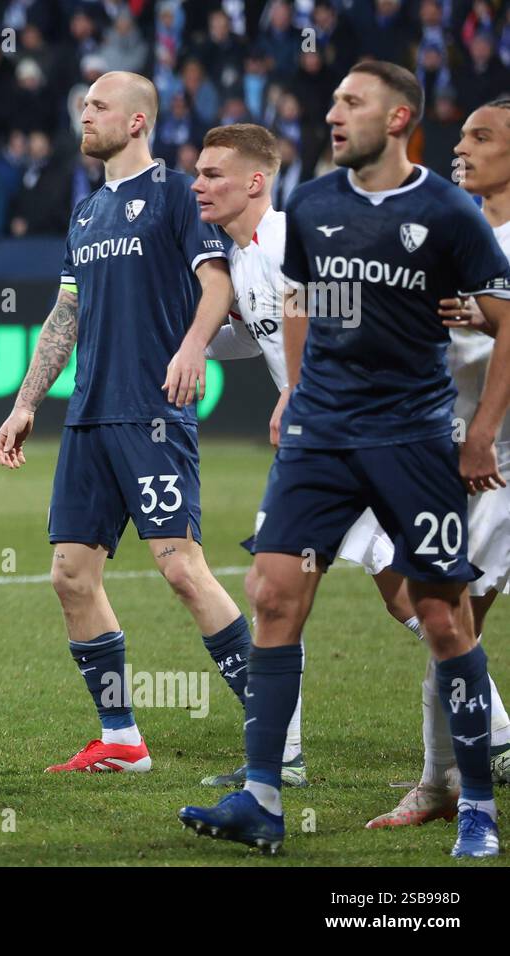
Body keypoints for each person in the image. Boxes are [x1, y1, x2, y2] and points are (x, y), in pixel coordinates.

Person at [180, 62, 510, 859]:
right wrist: (296, 394)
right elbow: (299, 302)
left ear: (398, 120)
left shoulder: (447, 211)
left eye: (351, 103)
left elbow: (506, 322)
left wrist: (478, 436)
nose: (333, 113)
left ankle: (475, 808)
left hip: (410, 436)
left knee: (439, 615)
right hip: (321, 435)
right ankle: (262, 795)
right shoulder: (316, 206)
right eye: (332, 101)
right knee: (273, 593)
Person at [0, 71, 246, 777]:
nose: (86, 115)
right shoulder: (85, 213)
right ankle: (122, 738)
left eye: (98, 106)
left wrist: (194, 346)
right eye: (83, 106)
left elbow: (218, 282)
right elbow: (66, 313)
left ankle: (272, 735)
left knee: (183, 573)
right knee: (71, 576)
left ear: (136, 122)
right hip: (89, 418)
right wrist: (26, 402)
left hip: (152, 414)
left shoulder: (175, 194)